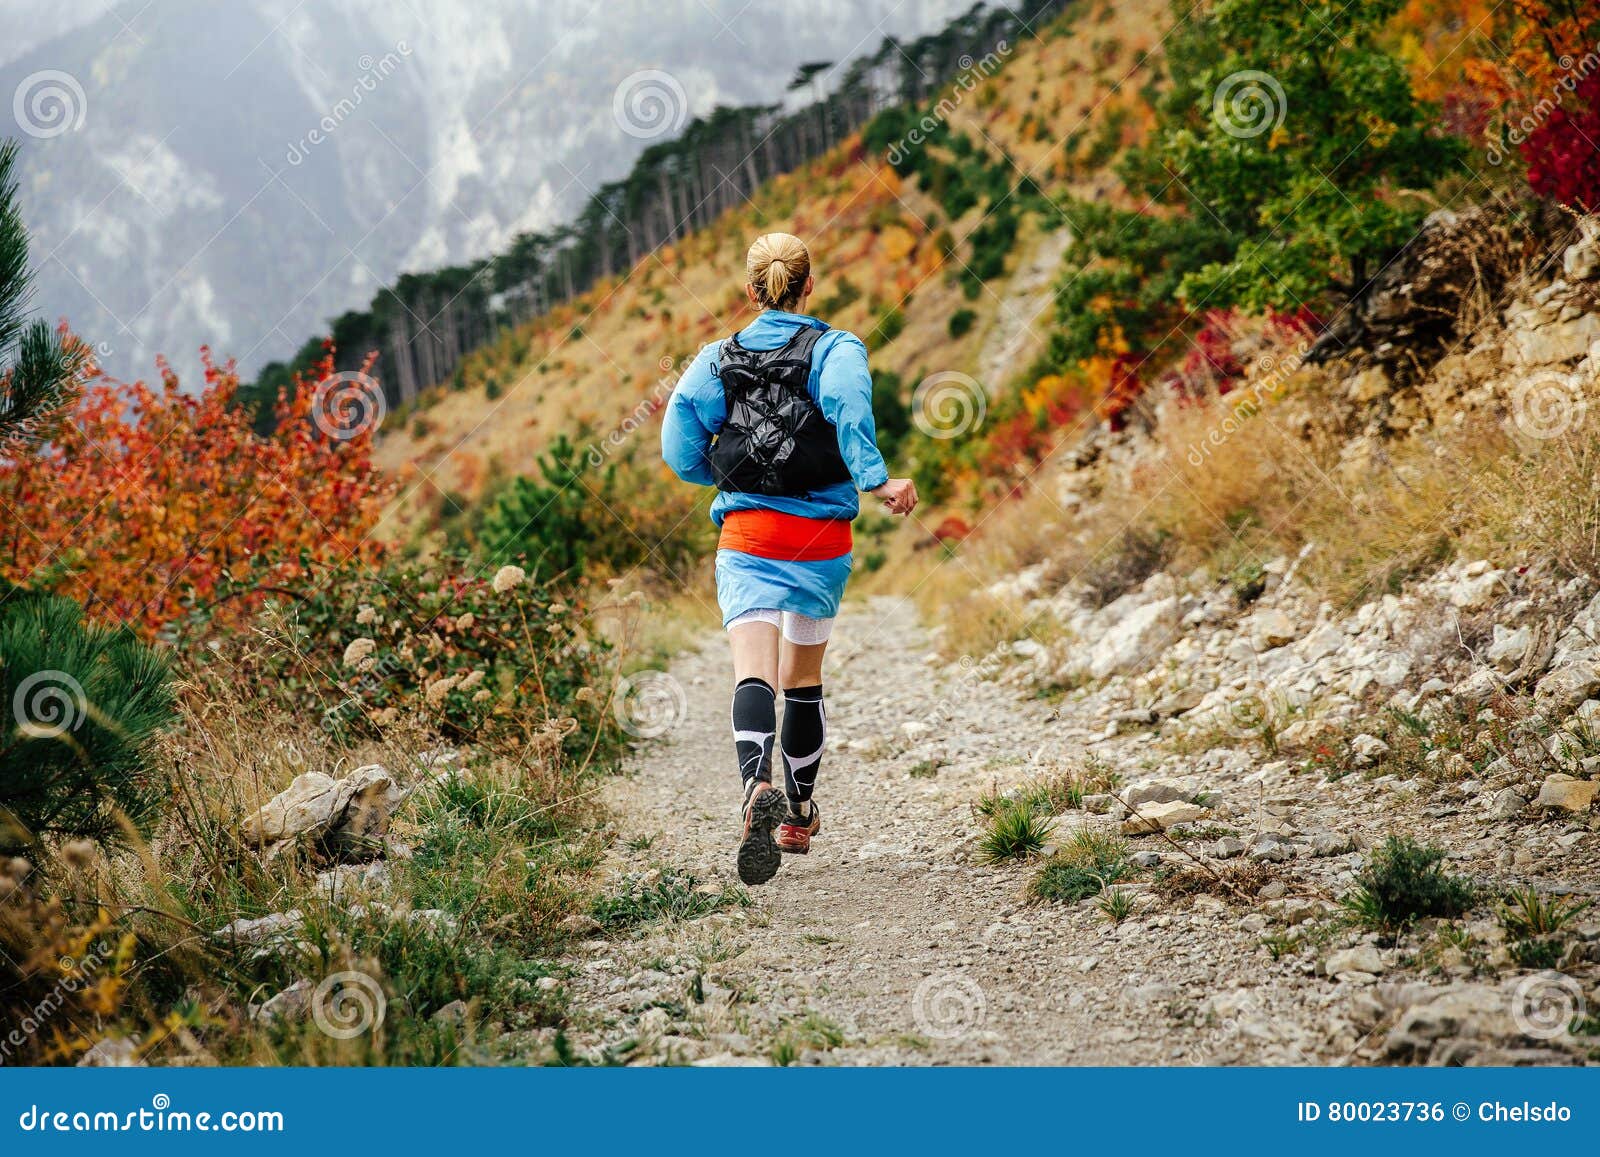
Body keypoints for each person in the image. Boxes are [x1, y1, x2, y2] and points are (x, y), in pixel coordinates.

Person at [662, 232, 917, 885]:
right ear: (810, 284)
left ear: (752, 291)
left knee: (753, 672)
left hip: (746, 536)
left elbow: (678, 437)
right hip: (819, 540)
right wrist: (876, 480)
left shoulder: (718, 356)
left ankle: (756, 785)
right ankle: (798, 814)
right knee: (802, 681)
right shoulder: (836, 348)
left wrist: (712, 473)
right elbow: (848, 406)